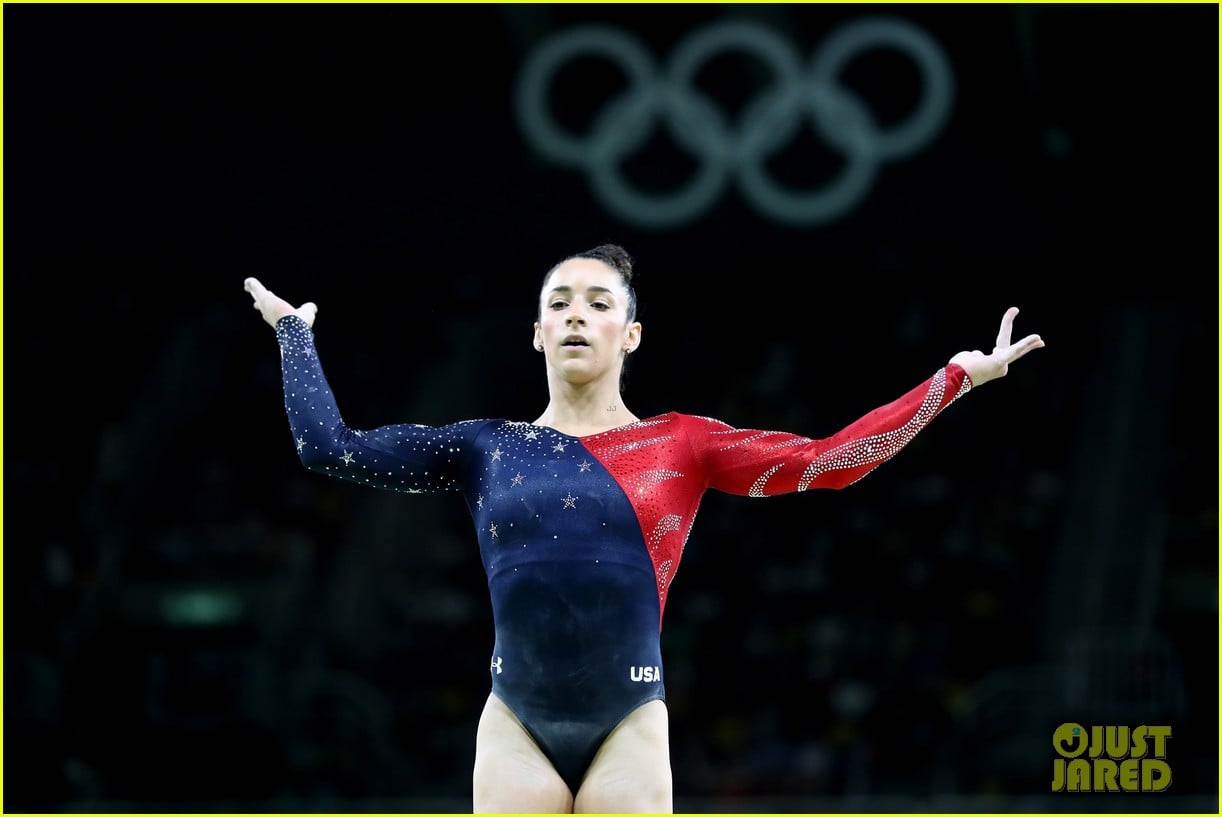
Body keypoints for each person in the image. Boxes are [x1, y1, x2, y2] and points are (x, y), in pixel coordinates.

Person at [243, 243, 1044, 813]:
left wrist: (954, 382)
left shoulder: (682, 441)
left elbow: (832, 460)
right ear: (536, 333)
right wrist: (294, 334)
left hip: (628, 722)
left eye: (599, 304)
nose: (576, 316)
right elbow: (331, 448)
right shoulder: (484, 445)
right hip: (515, 719)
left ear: (629, 335)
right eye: (558, 303)